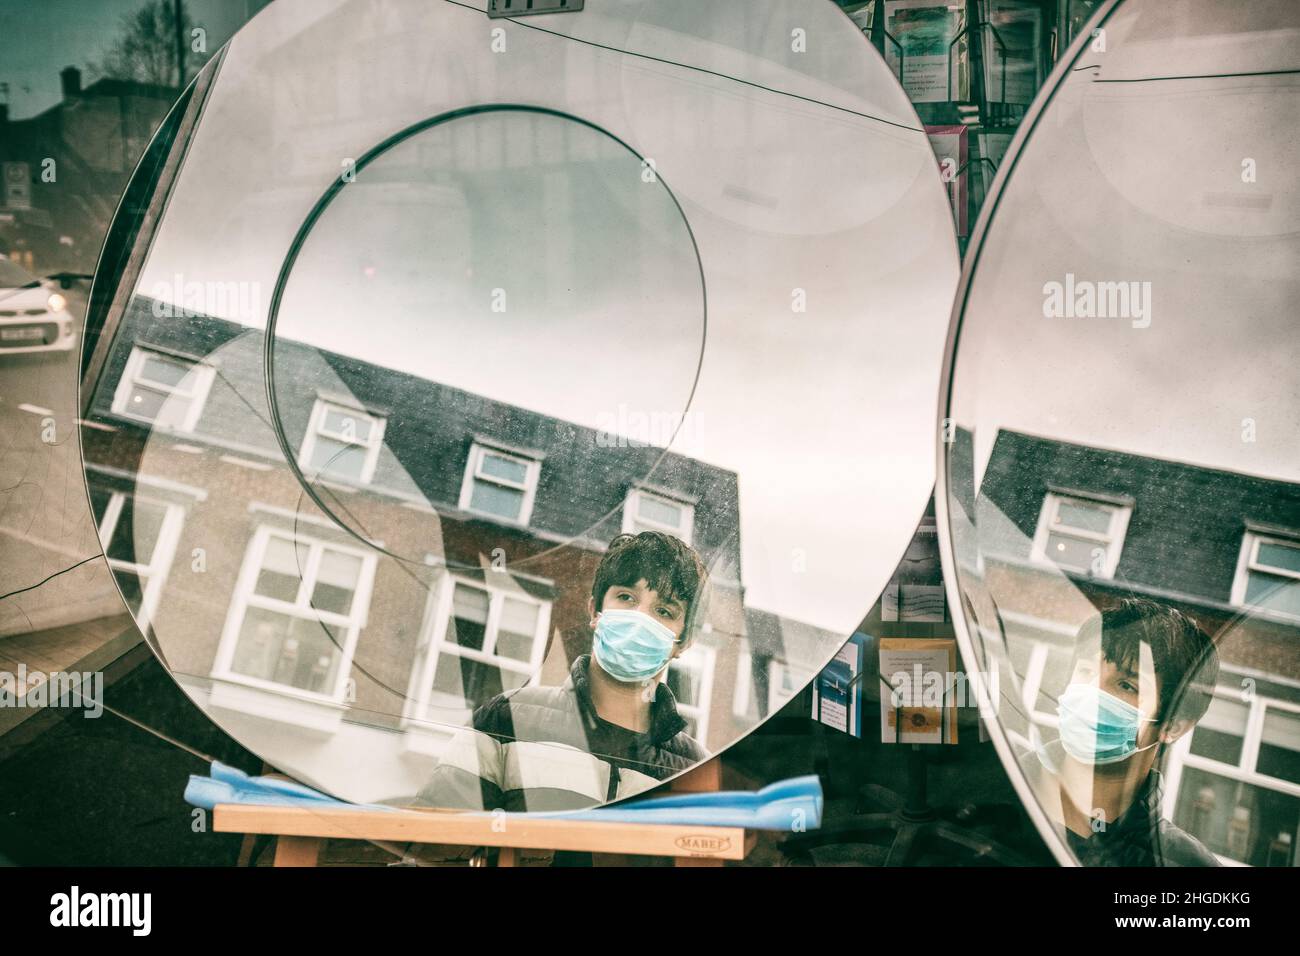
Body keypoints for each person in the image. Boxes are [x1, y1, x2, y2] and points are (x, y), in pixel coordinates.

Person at [411, 530, 710, 813]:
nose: (639, 619)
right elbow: (429, 844)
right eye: (626, 598)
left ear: (683, 642)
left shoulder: (700, 772)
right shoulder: (506, 719)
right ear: (595, 611)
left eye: (664, 611)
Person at [1029, 597, 1221, 866]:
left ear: (1172, 725)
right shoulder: (987, 783)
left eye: (1126, 685)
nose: (1093, 693)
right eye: (1086, 671)